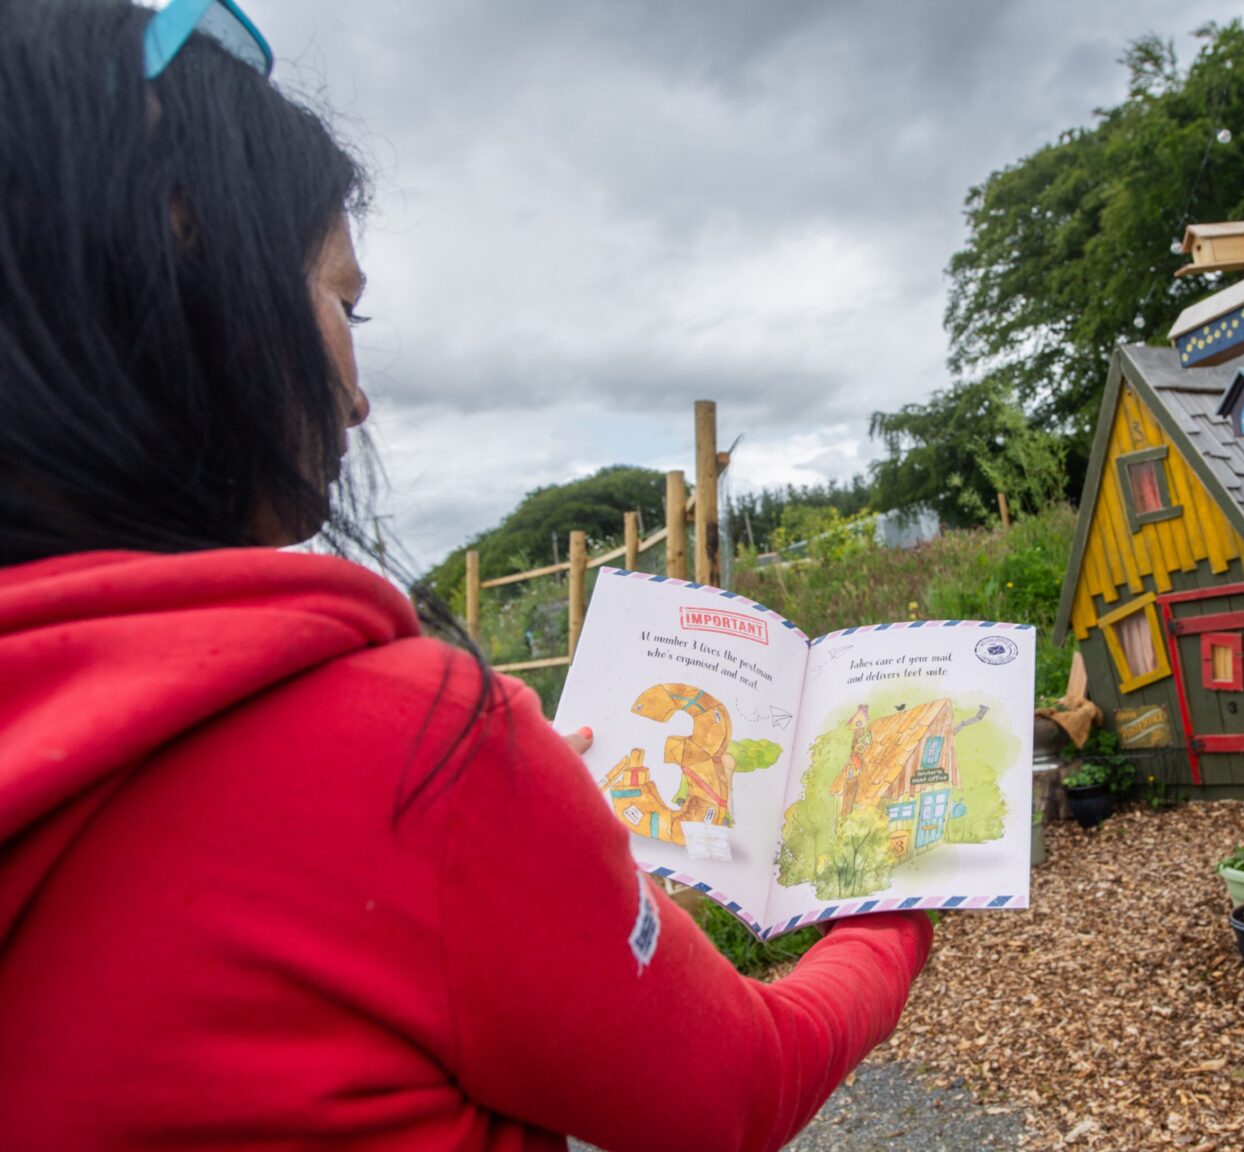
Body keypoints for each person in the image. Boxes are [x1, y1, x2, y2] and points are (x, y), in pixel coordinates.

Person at [0, 2, 932, 1149]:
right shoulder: (411, 760)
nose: (359, 391)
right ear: (185, 253)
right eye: (346, 300)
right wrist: (891, 908)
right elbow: (737, 1088)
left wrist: (566, 882)